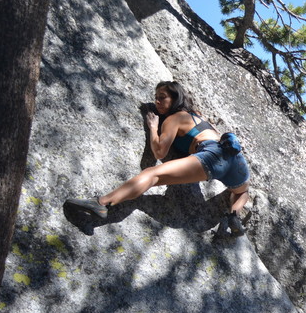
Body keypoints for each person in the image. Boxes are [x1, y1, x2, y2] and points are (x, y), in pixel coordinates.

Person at [66, 81, 250, 235]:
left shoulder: (175, 118)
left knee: (152, 174)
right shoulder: (198, 116)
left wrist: (153, 127)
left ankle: (101, 203)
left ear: (175, 98)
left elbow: (160, 152)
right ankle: (233, 216)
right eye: (156, 97)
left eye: (162, 97)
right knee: (241, 191)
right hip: (236, 159)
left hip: (211, 155)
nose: (157, 101)